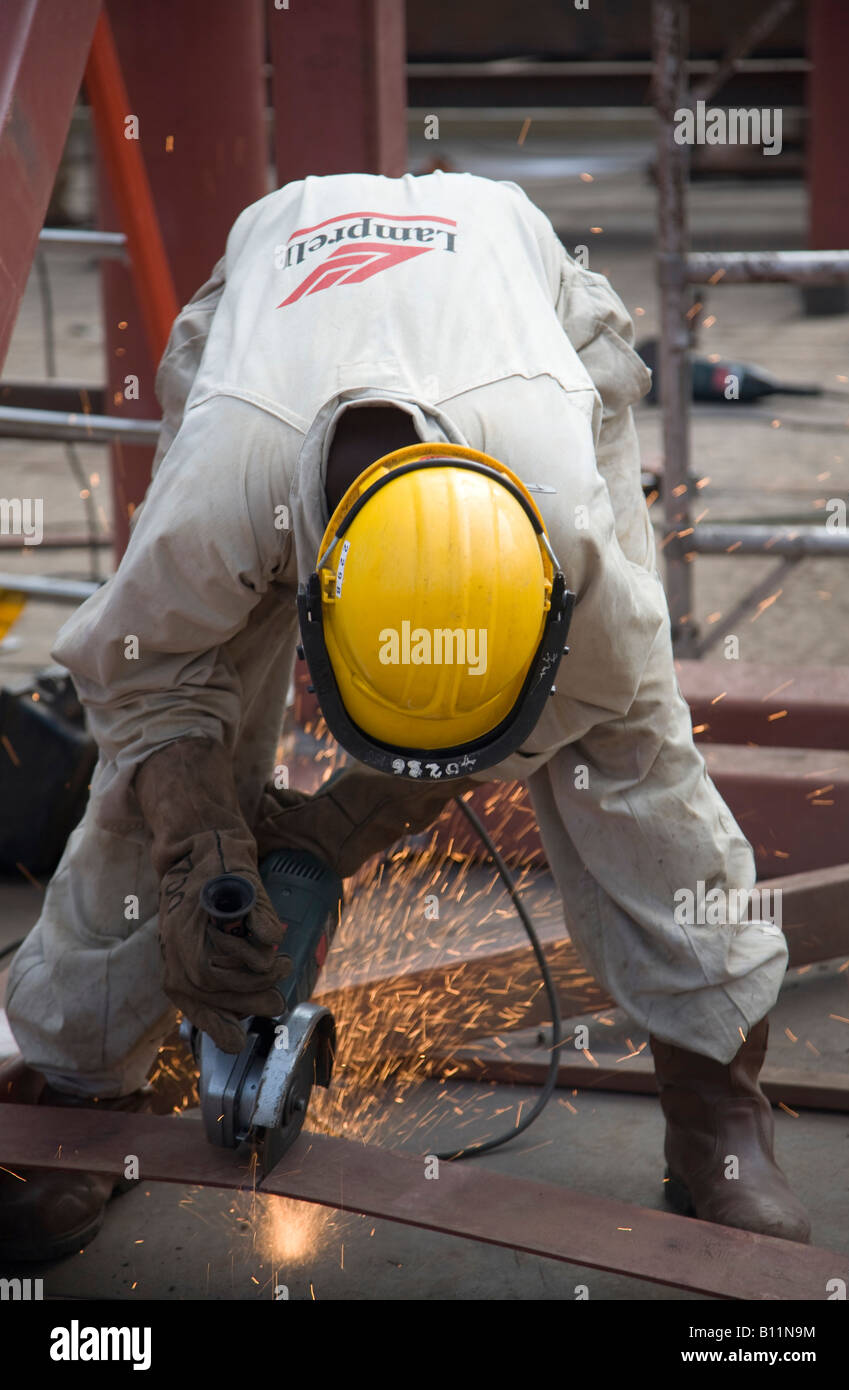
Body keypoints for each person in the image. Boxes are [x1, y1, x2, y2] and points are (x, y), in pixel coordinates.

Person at [0, 171, 808, 1261]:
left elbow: (593, 692)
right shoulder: (227, 491)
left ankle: (717, 1106)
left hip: (524, 325)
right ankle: (80, 1089)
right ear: (314, 598)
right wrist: (198, 846)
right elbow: (149, 674)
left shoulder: (560, 526)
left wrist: (343, 825)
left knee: (627, 753)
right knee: (174, 751)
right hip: (271, 315)